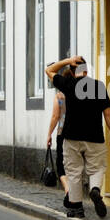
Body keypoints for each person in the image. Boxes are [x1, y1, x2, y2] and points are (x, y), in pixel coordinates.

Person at [44, 54, 110, 219]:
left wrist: (66, 61)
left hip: (71, 137)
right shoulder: (98, 86)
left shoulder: (68, 84)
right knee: (97, 168)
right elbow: (108, 114)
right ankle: (95, 190)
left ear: (71, 70)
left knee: (74, 171)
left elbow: (48, 70)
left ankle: (76, 208)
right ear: (87, 70)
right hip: (95, 137)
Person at [45, 65, 71, 205]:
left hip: (62, 134)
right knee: (74, 164)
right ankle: (74, 190)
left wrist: (49, 134)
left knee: (61, 164)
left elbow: (55, 116)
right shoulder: (79, 94)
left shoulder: (59, 96)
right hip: (77, 134)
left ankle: (67, 190)